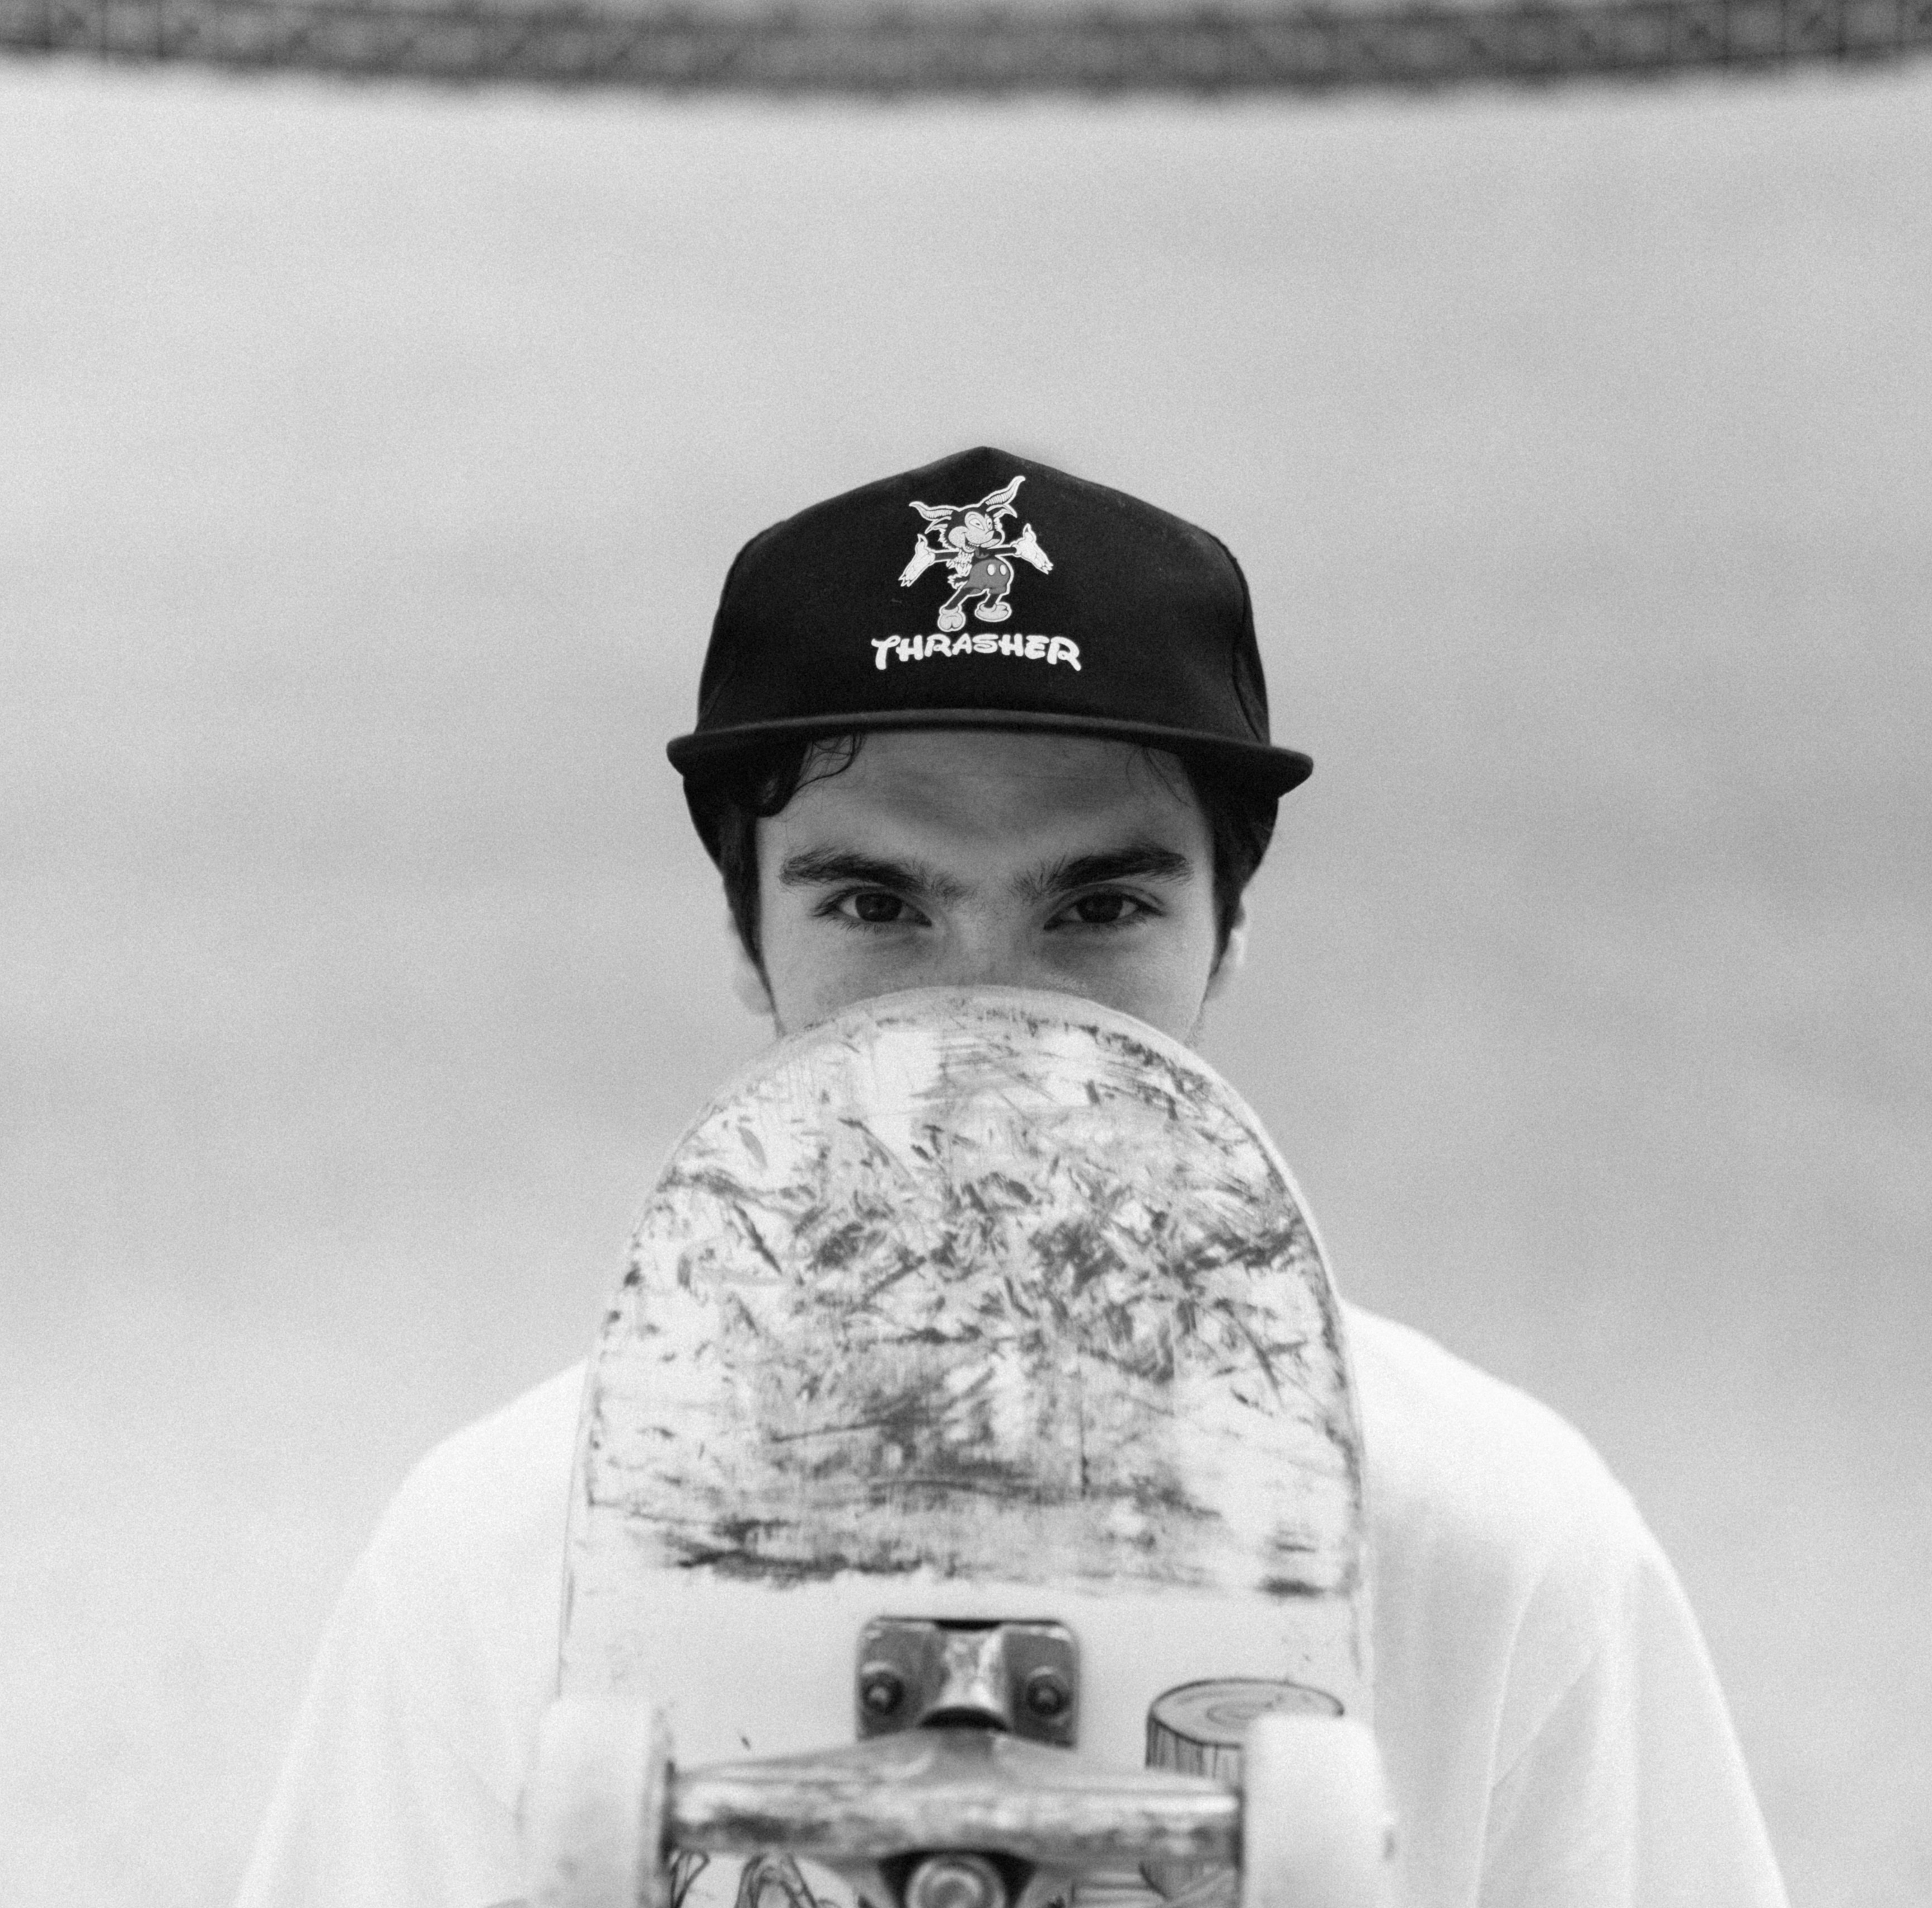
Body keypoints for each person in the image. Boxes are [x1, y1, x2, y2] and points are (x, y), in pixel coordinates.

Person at [236, 447, 1787, 1908]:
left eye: (1097, 905)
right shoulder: (499, 1552)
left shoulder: (1495, 1543)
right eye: (877, 903)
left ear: (1227, 934)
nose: (985, 1008)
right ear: (742, 932)